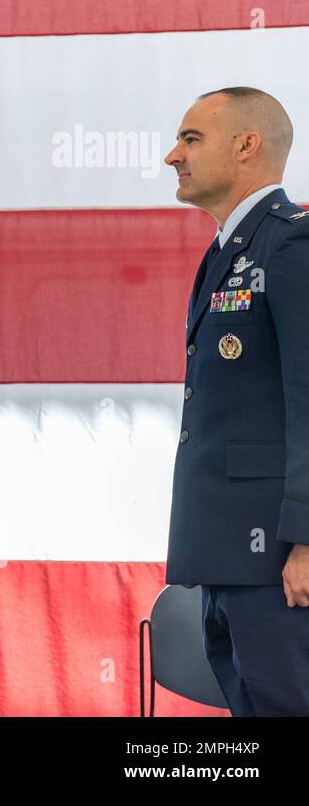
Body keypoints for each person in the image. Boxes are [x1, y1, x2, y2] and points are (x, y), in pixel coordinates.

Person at [163, 86, 309, 715]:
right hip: (227, 554)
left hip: (277, 560)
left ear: (247, 145)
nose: (174, 155)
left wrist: (308, 540)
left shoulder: (291, 244)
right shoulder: (229, 250)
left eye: (191, 138)